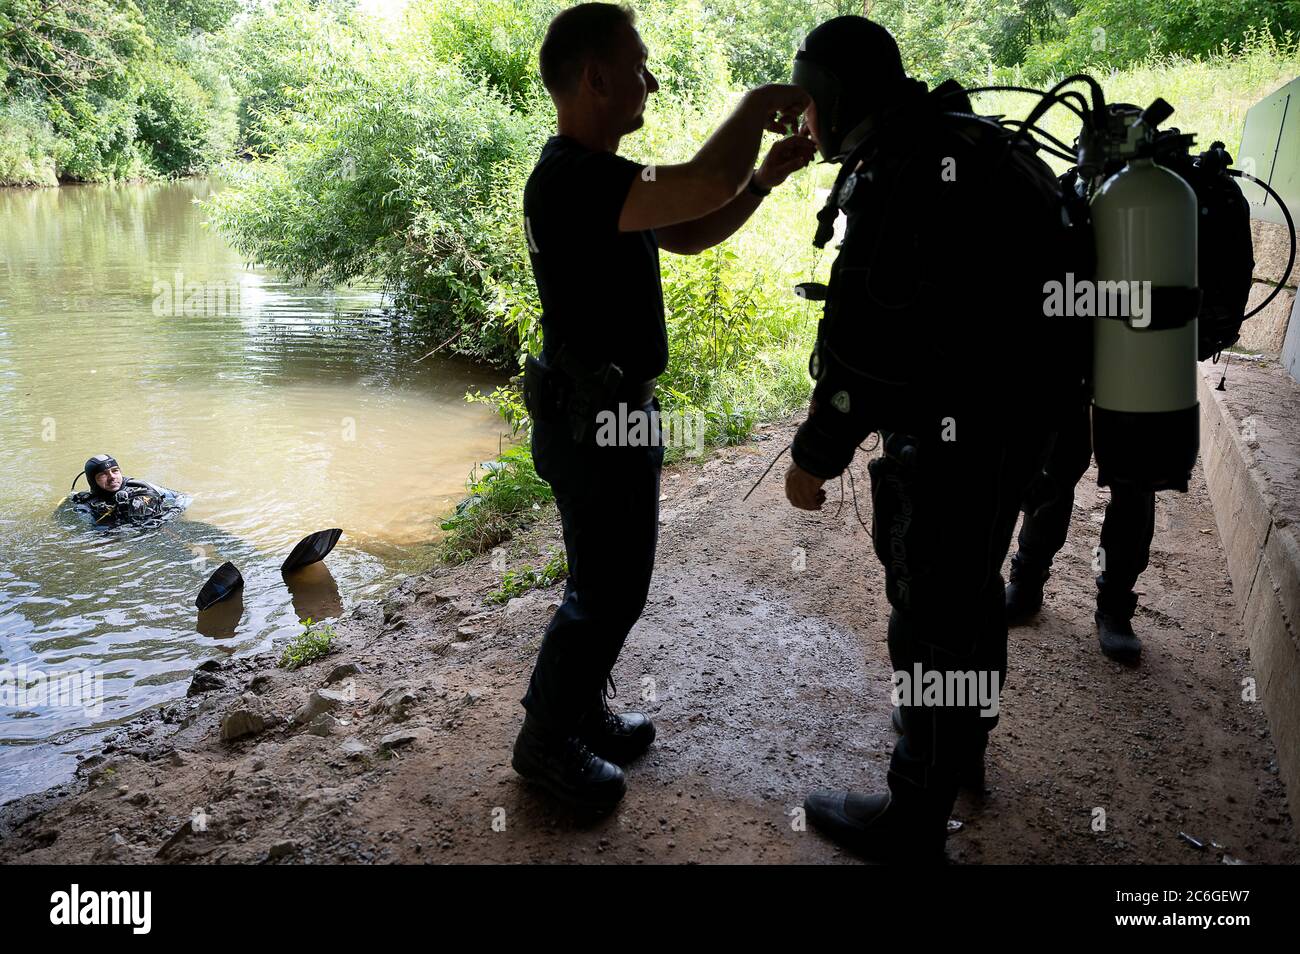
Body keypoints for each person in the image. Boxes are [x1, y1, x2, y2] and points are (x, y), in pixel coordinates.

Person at [780, 16, 1078, 860]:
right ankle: (963, 754)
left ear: (838, 96)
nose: (805, 120)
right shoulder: (972, 142)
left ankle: (915, 813)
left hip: (960, 438)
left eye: (809, 102)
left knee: (932, 617)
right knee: (973, 597)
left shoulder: (903, 173)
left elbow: (866, 348)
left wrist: (815, 455)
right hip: (1023, 426)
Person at [512, 1, 815, 811]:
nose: (651, 79)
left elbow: (689, 225)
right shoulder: (575, 179)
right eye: (639, 64)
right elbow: (700, 182)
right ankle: (545, 742)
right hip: (595, 420)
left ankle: (578, 713)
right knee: (608, 591)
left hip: (606, 415)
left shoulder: (602, 178)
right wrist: (754, 105)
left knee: (607, 581)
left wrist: (761, 179)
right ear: (594, 76)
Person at [1005, 393, 1153, 664]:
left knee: (1135, 484)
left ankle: (1115, 606)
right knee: (1056, 463)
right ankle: (1027, 579)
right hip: (1073, 362)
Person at [70, 454, 186, 528]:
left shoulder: (139, 485)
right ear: (92, 481)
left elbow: (183, 497)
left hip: (166, 523)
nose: (112, 477)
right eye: (103, 474)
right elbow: (91, 530)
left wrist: (171, 514)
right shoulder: (85, 506)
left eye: (115, 471)